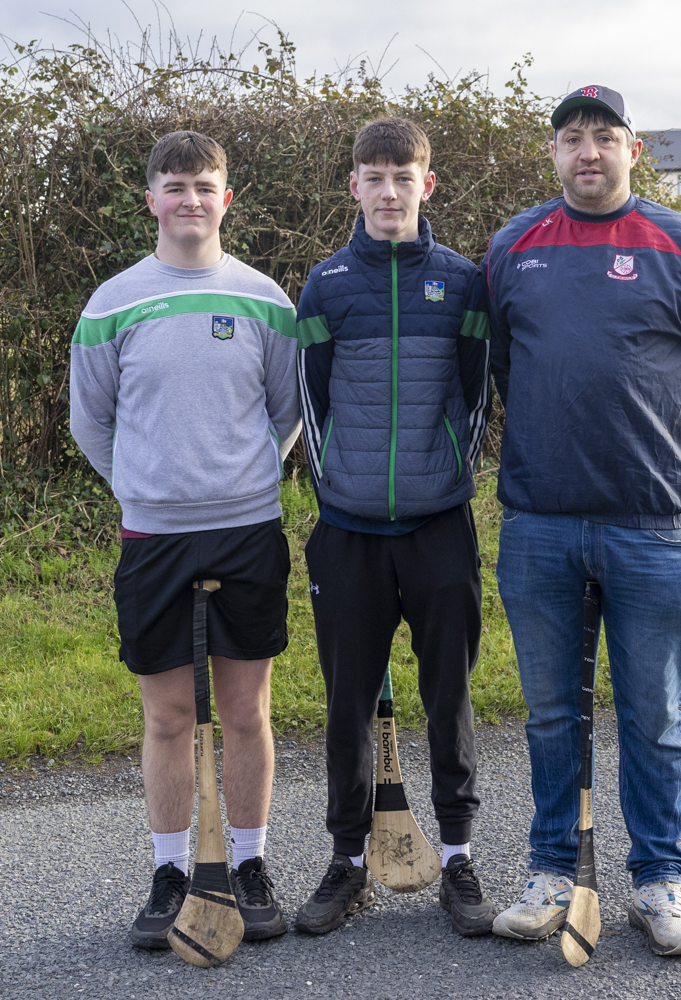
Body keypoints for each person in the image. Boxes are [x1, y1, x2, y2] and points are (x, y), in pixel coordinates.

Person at [483, 86, 681, 956]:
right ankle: (549, 872)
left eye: (604, 137)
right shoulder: (512, 249)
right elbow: (496, 373)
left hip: (653, 528)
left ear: (634, 151)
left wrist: (674, 450)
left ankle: (658, 882)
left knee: (654, 716)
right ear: (555, 154)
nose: (588, 152)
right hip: (541, 526)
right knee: (550, 714)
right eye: (572, 138)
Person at [69, 131, 302, 949]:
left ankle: (247, 864)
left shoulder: (266, 298)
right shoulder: (113, 302)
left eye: (205, 186)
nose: (191, 200)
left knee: (245, 709)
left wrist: (242, 481)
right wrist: (142, 488)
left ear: (226, 198)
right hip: (155, 537)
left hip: (247, 532)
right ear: (151, 200)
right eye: (175, 187)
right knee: (168, 716)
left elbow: (287, 410)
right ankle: (171, 873)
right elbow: (89, 420)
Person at [284, 117, 497, 937]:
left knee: (450, 696)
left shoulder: (464, 282)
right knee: (346, 704)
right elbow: (312, 402)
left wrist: (449, 477)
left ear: (426, 186)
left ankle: (456, 858)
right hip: (347, 530)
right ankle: (347, 861)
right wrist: (336, 488)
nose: (387, 191)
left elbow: (476, 399)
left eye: (402, 177)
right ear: (354, 188)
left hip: (440, 526)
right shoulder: (327, 284)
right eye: (372, 177)